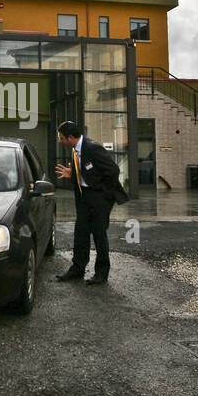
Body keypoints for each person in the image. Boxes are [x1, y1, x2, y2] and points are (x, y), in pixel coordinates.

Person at [52, 120, 128, 286]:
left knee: (99, 234)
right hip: (84, 197)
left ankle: (101, 273)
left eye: (62, 138)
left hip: (99, 198)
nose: (60, 141)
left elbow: (113, 171)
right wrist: (73, 174)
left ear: (71, 137)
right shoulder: (75, 149)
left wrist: (104, 194)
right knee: (81, 232)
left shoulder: (92, 147)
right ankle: (77, 268)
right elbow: (89, 172)